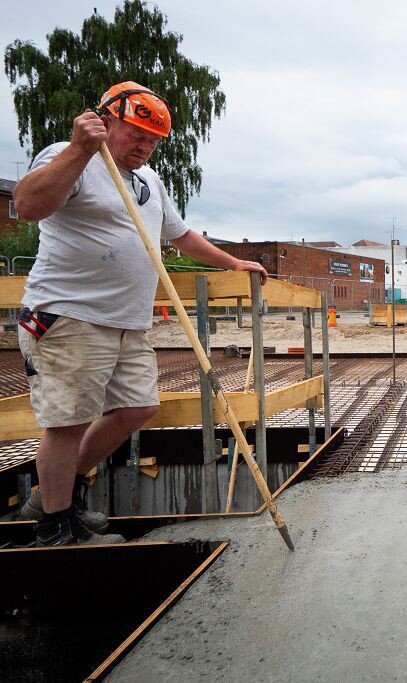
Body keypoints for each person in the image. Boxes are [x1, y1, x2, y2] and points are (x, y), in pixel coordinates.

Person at [14, 81, 268, 546]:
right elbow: (28, 205)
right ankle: (55, 526)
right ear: (106, 120)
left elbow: (181, 235)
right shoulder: (70, 156)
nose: (145, 147)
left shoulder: (150, 179)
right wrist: (78, 149)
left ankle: (58, 494)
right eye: (136, 135)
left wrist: (232, 262)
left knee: (139, 407)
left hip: (128, 321)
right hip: (70, 316)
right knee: (67, 422)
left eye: (152, 140)